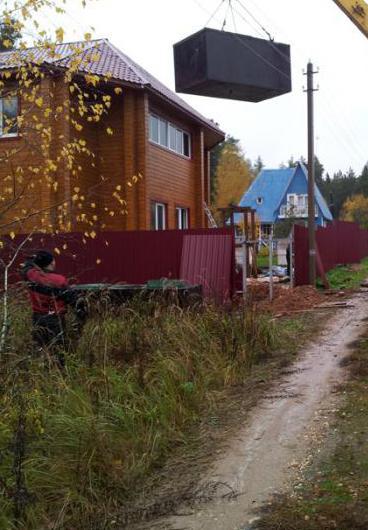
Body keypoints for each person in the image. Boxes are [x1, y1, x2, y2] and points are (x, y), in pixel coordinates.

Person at [21, 250, 71, 367]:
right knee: (58, 349)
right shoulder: (59, 280)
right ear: (51, 263)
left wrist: (34, 259)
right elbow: (71, 298)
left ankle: (41, 372)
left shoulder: (31, 275)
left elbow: (26, 267)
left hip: (37, 318)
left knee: (40, 347)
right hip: (55, 320)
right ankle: (59, 373)